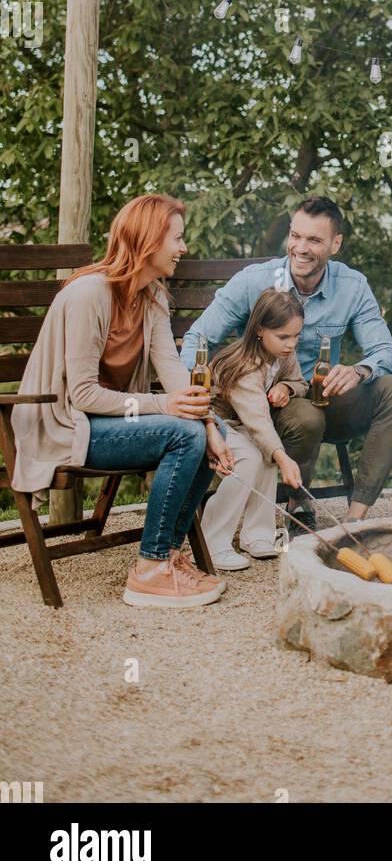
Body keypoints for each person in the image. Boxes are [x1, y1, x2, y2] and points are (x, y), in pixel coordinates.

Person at [11, 194, 234, 609]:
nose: (183, 248)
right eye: (178, 239)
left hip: (110, 422)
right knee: (182, 432)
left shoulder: (152, 299)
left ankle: (167, 557)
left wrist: (209, 426)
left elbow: (175, 380)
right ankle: (150, 568)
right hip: (68, 423)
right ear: (148, 241)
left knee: (212, 428)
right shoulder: (89, 294)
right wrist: (166, 407)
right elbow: (83, 395)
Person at [181, 195, 392, 526]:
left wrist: (360, 370)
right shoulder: (253, 281)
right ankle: (298, 502)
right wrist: (200, 403)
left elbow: (387, 353)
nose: (300, 248)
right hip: (260, 404)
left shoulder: (352, 286)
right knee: (306, 416)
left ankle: (354, 518)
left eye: (314, 240)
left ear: (336, 243)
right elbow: (197, 339)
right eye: (295, 235)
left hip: (321, 398)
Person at [202, 289, 307, 570]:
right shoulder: (243, 367)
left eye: (296, 336)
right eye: (283, 337)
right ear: (260, 329)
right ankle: (213, 540)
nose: (290, 344)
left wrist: (286, 387)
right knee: (249, 458)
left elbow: (301, 382)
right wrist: (283, 456)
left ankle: (256, 533)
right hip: (214, 423)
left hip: (245, 424)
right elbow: (258, 419)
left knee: (266, 456)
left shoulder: (284, 355)